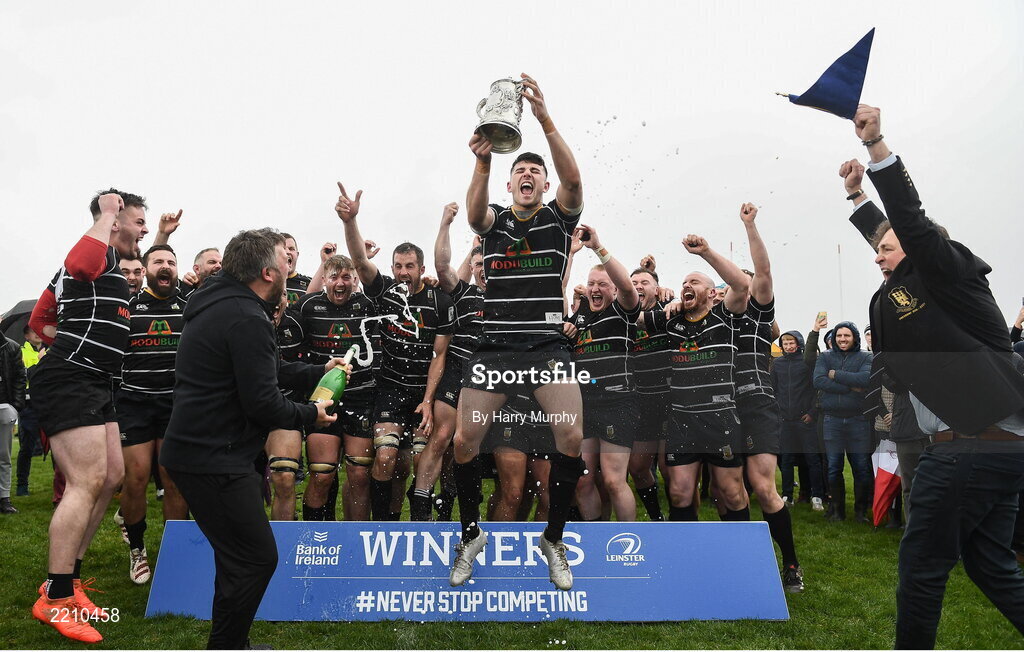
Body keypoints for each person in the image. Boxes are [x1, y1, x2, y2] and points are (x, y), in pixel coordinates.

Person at [839, 104, 1024, 648]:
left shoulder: (947, 271)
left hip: (970, 446)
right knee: (991, 567)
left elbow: (909, 224)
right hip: (1000, 447)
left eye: (887, 250)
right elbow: (890, 233)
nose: (878, 256)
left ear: (923, 249)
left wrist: (877, 150)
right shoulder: (917, 280)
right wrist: (854, 198)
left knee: (921, 567)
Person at [161, 228, 341, 649]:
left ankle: (232, 643)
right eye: (284, 259)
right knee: (258, 558)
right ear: (266, 272)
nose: (288, 266)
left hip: (201, 454)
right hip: (213, 460)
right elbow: (264, 404)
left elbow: (264, 369)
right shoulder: (246, 316)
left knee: (236, 558)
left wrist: (317, 370)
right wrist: (311, 414)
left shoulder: (225, 304)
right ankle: (226, 646)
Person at [449, 73, 586, 591]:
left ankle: (554, 538)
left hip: (546, 349)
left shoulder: (558, 218)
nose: (527, 174)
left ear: (544, 186)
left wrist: (546, 120)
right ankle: (469, 534)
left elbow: (575, 182)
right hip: (495, 349)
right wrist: (484, 157)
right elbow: (474, 210)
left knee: (570, 434)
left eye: (535, 171)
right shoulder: (496, 222)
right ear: (511, 184)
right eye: (520, 169)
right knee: (464, 441)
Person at [27, 189, 148, 643]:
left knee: (112, 475)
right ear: (114, 221)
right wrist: (106, 212)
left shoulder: (113, 265)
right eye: (136, 222)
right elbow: (73, 274)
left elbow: (41, 321)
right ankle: (54, 599)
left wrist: (71, 332)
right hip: (71, 377)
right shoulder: (88, 256)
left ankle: (69, 583)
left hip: (99, 381)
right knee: (85, 480)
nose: (142, 230)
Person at [336, 185, 455, 521]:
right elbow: (359, 261)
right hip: (389, 389)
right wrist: (351, 221)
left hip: (423, 392)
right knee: (386, 458)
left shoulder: (439, 302)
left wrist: (429, 401)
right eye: (399, 266)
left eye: (411, 266)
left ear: (420, 268)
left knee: (415, 463)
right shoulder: (385, 291)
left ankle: (422, 524)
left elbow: (439, 356)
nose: (404, 272)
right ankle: (382, 526)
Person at [638, 234, 751, 526]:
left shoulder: (726, 317)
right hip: (682, 420)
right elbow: (632, 314)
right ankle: (683, 558)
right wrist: (651, 285)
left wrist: (705, 253)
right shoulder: (670, 320)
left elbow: (741, 285)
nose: (687, 285)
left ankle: (739, 555)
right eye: (684, 282)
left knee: (729, 492)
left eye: (696, 282)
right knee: (679, 493)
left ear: (713, 294)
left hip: (720, 418)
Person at [732, 203, 803, 592]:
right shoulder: (717, 318)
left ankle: (790, 563)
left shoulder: (758, 315)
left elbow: (763, 271)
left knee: (762, 486)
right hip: (721, 410)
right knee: (731, 490)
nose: (740, 286)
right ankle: (746, 562)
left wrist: (750, 225)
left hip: (757, 406)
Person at [113, 244, 189, 584]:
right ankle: (138, 550)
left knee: (173, 480)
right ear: (145, 269)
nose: (166, 267)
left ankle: (176, 553)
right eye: (158, 261)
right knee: (137, 477)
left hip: (175, 405)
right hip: (134, 403)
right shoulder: (128, 307)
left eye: (171, 262)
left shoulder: (189, 307)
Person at [410, 203, 484, 521]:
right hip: (456, 369)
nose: (483, 269)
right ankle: (421, 506)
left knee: (464, 447)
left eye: (489, 264)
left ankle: (454, 508)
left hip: (490, 380)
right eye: (479, 264)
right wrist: (445, 223)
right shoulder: (464, 292)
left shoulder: (511, 299)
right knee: (442, 436)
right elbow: (442, 265)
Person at [291, 254, 378, 521]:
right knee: (321, 475)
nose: (340, 283)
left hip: (361, 399)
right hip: (322, 401)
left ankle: (356, 541)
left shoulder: (369, 305)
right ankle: (314, 541)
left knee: (359, 474)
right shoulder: (307, 306)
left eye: (346, 277)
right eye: (333, 277)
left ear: (355, 280)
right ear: (324, 280)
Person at [568, 223, 640, 522]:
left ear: (612, 289)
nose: (596, 289)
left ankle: (631, 542)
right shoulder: (581, 316)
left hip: (617, 403)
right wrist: (570, 255)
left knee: (612, 480)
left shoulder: (622, 310)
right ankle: (598, 542)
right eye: (591, 284)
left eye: (602, 284)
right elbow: (555, 294)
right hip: (584, 405)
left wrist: (598, 246)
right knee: (583, 480)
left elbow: (627, 286)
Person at [812, 321, 873, 522]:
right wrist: (848, 387)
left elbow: (866, 380)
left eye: (847, 335)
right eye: (839, 336)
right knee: (833, 466)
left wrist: (836, 375)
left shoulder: (866, 357)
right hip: (832, 420)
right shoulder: (826, 357)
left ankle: (860, 512)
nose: (842, 339)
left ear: (854, 337)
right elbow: (818, 380)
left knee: (862, 467)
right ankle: (837, 511)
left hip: (859, 420)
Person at [628, 264, 671, 521]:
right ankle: (657, 519)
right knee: (638, 468)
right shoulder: (623, 315)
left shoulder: (668, 309)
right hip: (641, 404)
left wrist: (671, 296)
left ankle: (685, 524)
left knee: (673, 473)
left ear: (657, 288)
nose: (637, 286)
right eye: (633, 283)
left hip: (670, 402)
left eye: (644, 282)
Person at [771, 330, 824, 511]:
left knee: (812, 460)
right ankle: (787, 495)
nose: (788, 346)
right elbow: (774, 390)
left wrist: (811, 413)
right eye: (785, 343)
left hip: (805, 420)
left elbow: (816, 389)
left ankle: (817, 496)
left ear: (799, 343)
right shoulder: (777, 364)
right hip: (785, 420)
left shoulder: (807, 363)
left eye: (791, 343)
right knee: (786, 459)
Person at [15, 326, 45, 497]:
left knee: (58, 448)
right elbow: (21, 376)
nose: (37, 333)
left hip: (49, 404)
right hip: (29, 406)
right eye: (33, 331)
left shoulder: (51, 350)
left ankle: (62, 487)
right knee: (27, 447)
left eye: (38, 330)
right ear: (26, 335)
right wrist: (40, 363)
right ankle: (22, 485)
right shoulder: (20, 352)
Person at [0, 333, 26, 514]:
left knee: (4, 456)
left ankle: (4, 498)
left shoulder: (12, 347)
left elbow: (19, 377)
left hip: (4, 406)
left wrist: (15, 406)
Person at [281, 233, 311, 307]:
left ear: (297, 255)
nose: (287, 252)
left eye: (291, 249)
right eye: (283, 248)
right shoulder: (265, 283)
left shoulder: (310, 283)